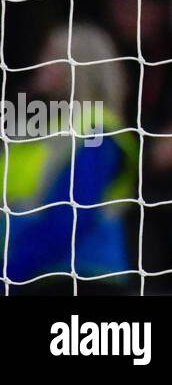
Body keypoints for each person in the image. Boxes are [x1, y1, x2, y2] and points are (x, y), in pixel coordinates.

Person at [1, 23, 134, 291]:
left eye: (53, 56)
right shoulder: (38, 129)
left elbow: (70, 216)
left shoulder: (97, 130)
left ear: (80, 67)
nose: (41, 64)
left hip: (80, 277)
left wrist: (11, 274)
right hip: (35, 274)